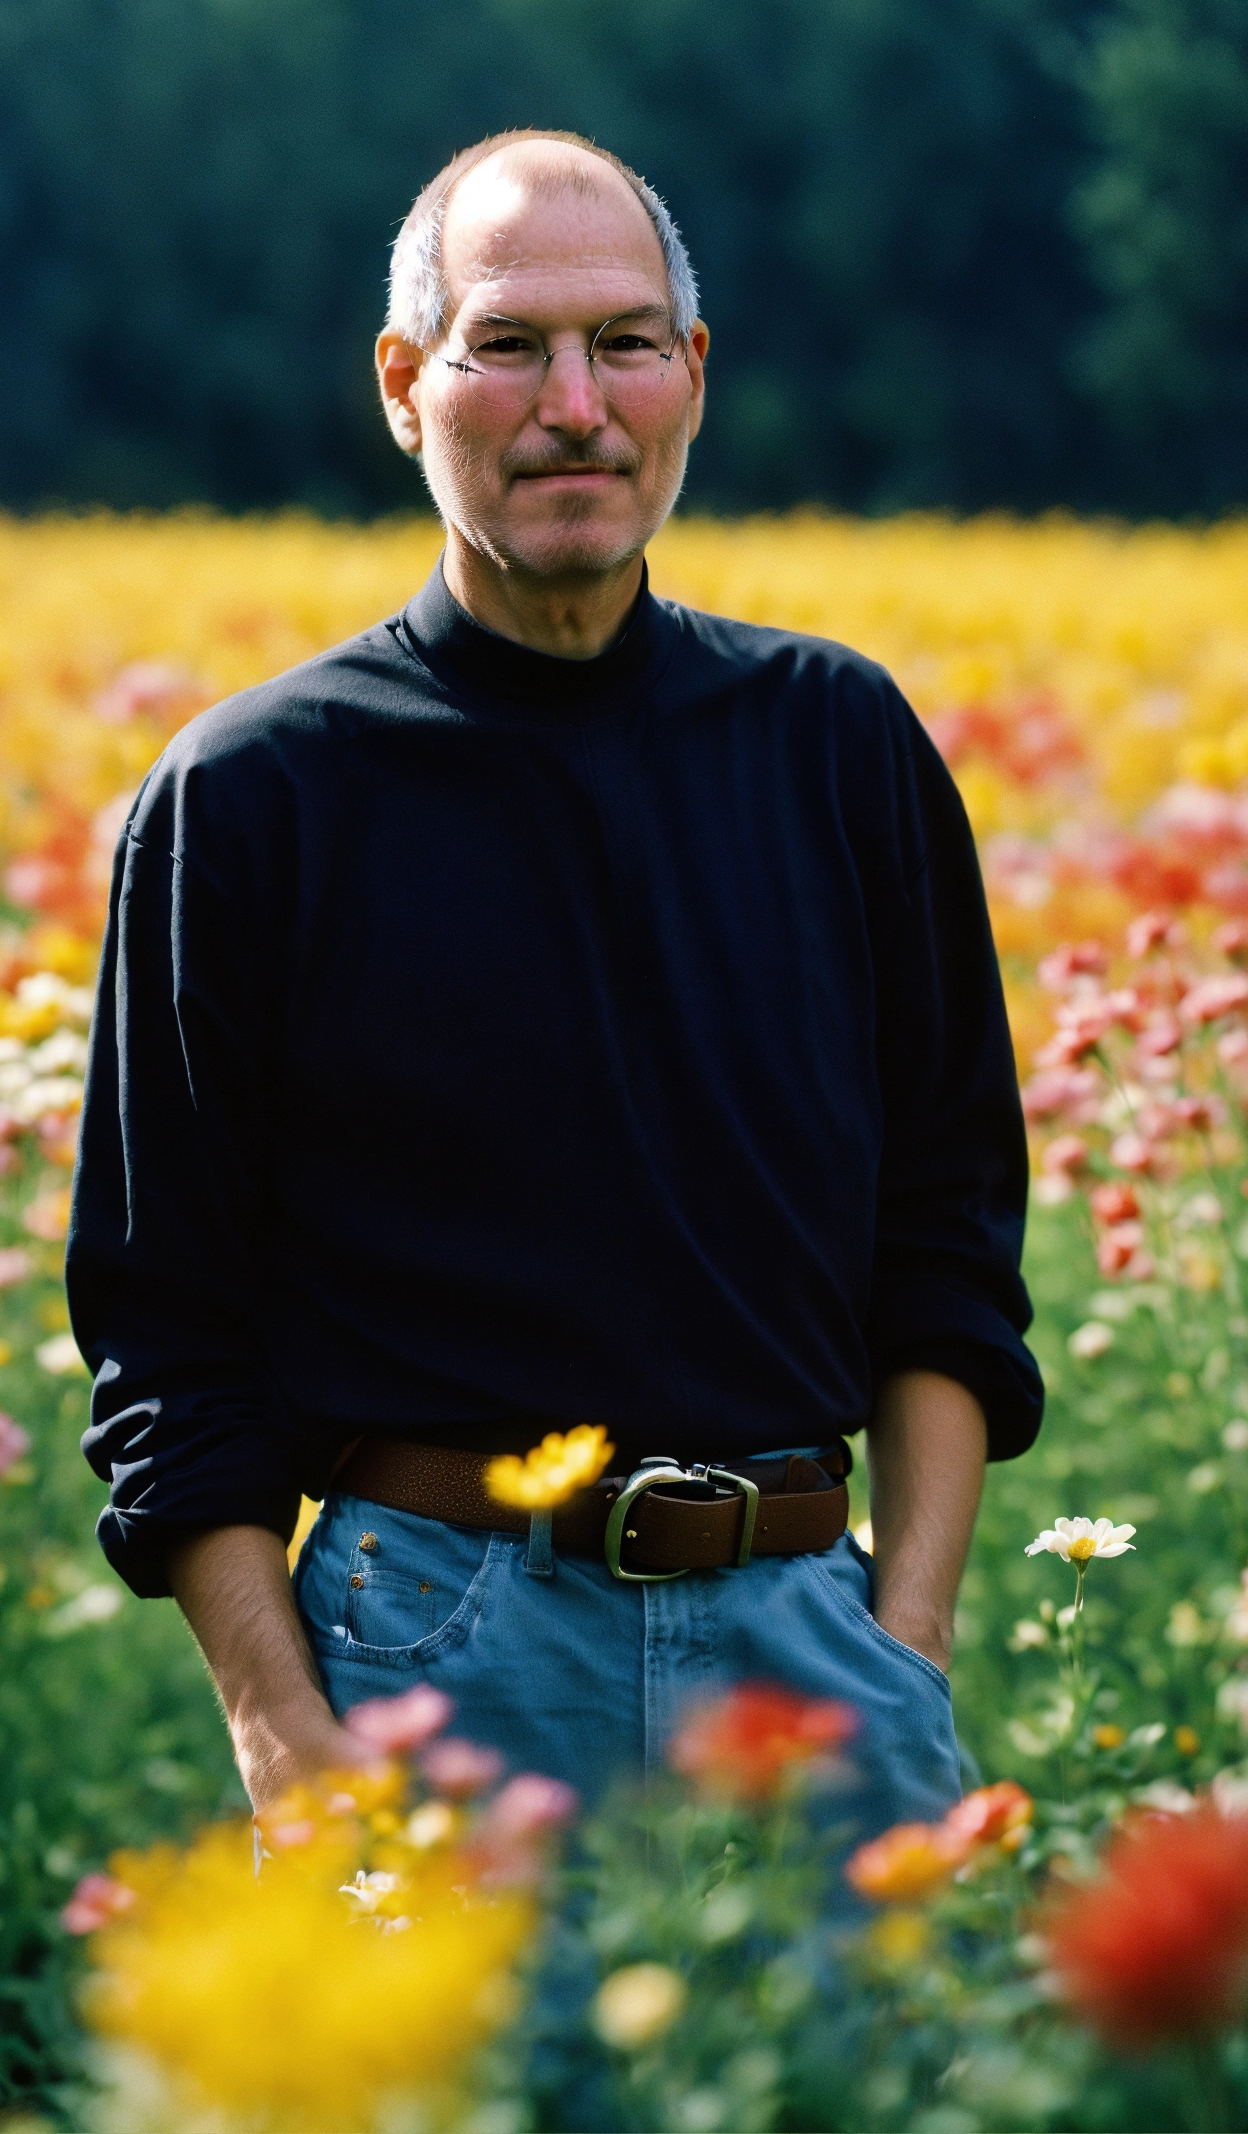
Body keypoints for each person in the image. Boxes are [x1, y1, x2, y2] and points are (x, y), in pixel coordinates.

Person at [67, 129, 1042, 1823]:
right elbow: (167, 1336)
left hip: (821, 1645)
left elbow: (949, 1242)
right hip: (432, 1660)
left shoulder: (842, 745)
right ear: (403, 382)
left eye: (625, 342)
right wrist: (284, 1733)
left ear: (694, 374)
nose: (574, 403)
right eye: (507, 345)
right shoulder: (247, 799)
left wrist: (910, 1634)